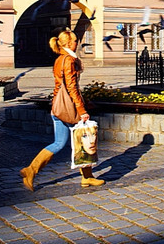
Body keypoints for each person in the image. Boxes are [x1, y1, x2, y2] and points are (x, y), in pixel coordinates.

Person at [20, 29, 104, 190]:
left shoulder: (60, 58)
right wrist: (82, 110)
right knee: (83, 138)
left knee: (59, 143)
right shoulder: (69, 60)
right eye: (75, 41)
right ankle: (86, 177)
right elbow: (72, 87)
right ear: (69, 43)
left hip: (58, 106)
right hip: (69, 108)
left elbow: (60, 86)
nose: (77, 43)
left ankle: (31, 170)